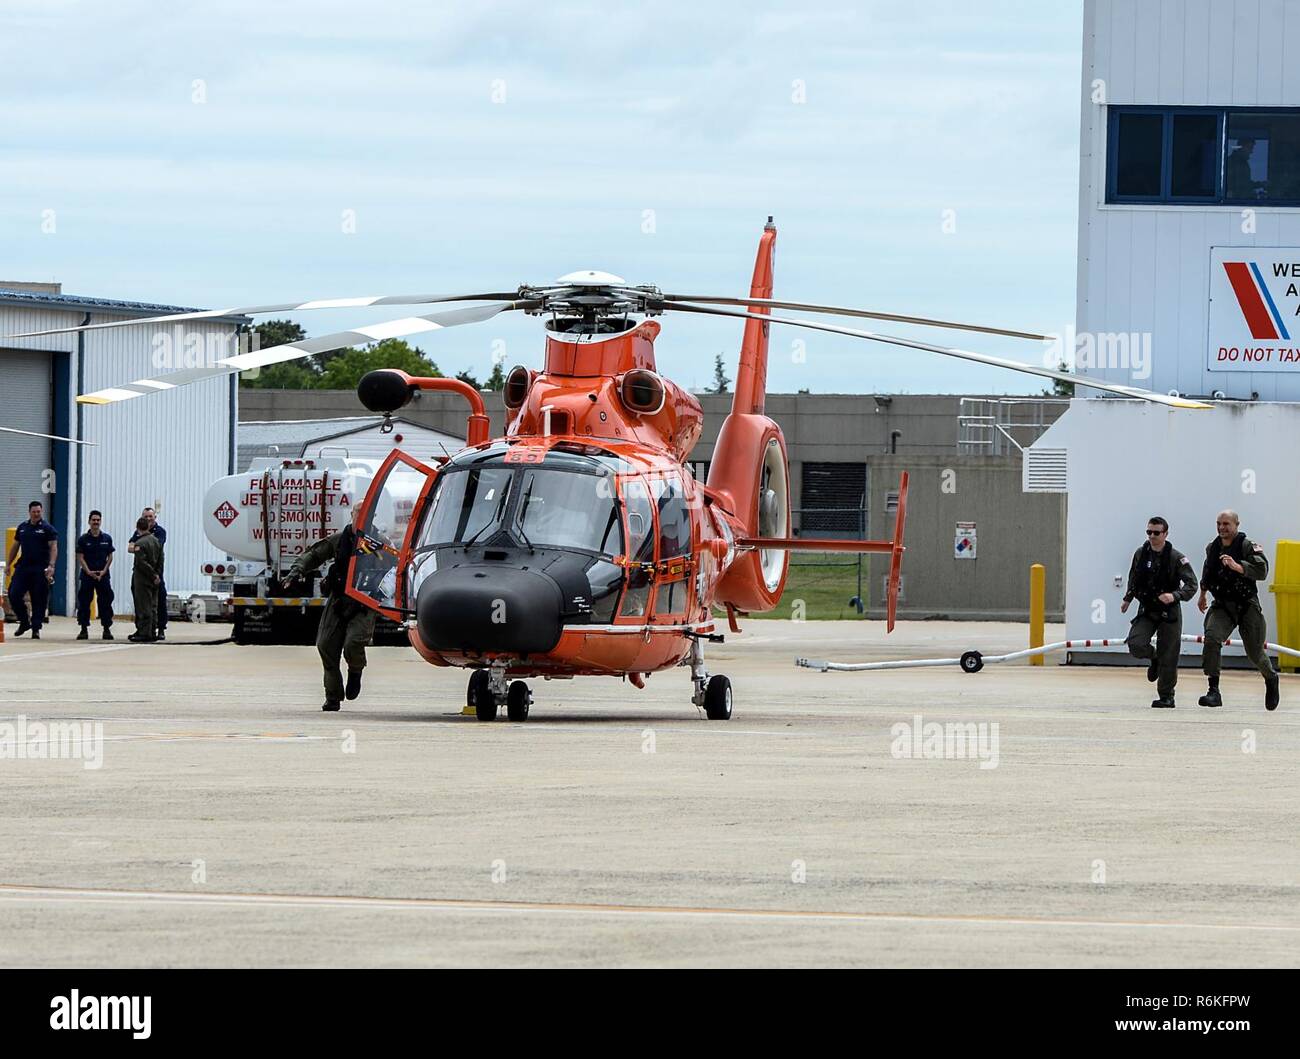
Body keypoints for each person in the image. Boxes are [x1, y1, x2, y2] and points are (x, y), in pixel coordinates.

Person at [283, 506, 376, 712]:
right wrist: (296, 571)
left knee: (353, 643)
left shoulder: (379, 545)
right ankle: (332, 696)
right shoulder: (340, 539)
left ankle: (355, 672)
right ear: (352, 515)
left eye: (366, 513)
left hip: (364, 602)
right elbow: (315, 554)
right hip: (339, 599)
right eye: (358, 513)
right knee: (325, 645)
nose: (361, 517)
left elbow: (395, 568)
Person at [1197, 510, 1279, 711]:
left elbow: (1262, 571)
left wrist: (1238, 566)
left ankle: (1271, 678)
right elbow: (1207, 572)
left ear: (1236, 525)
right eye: (1219, 523)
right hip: (1223, 605)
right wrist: (1202, 594)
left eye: (1226, 524)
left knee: (1254, 652)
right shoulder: (1213, 548)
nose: (1222, 528)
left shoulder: (1247, 546)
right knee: (1212, 638)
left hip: (1246, 604)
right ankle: (1213, 691)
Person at [1121, 516, 1198, 708]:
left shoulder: (1176, 557)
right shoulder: (1141, 553)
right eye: (1149, 532)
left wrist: (1174, 596)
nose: (1152, 536)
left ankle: (1166, 696)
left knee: (1169, 654)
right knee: (1136, 643)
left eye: (1156, 533)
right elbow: (1134, 577)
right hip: (1147, 608)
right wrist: (1127, 598)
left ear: (1165, 534)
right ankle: (1153, 658)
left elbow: (1192, 585)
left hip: (1169, 611)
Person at [6, 500, 58, 640]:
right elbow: (15, 546)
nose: (36, 514)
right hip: (23, 567)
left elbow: (53, 547)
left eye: (39, 512)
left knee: (38, 599)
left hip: (40, 568)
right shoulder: (22, 527)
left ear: (41, 512)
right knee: (14, 594)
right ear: (29, 512)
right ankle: (24, 622)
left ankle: (36, 628)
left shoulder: (47, 528)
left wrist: (51, 566)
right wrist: (8, 565)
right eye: (34, 512)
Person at [128, 507, 168, 641]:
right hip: (155, 576)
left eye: (150, 516)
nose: (149, 519)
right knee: (153, 606)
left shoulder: (141, 541)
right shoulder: (156, 541)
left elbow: (141, 562)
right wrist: (157, 574)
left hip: (144, 578)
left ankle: (145, 633)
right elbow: (161, 558)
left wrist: (152, 575)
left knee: (144, 605)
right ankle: (151, 631)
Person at [75, 510, 115, 640]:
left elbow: (110, 556)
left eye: (98, 520)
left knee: (105, 602)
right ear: (89, 521)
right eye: (93, 520)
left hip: (103, 575)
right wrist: (88, 571)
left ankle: (107, 629)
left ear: (100, 521)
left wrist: (104, 570)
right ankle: (83, 629)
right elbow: (80, 557)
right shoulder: (83, 539)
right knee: (84, 602)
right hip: (87, 575)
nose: (96, 522)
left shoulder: (107, 539)